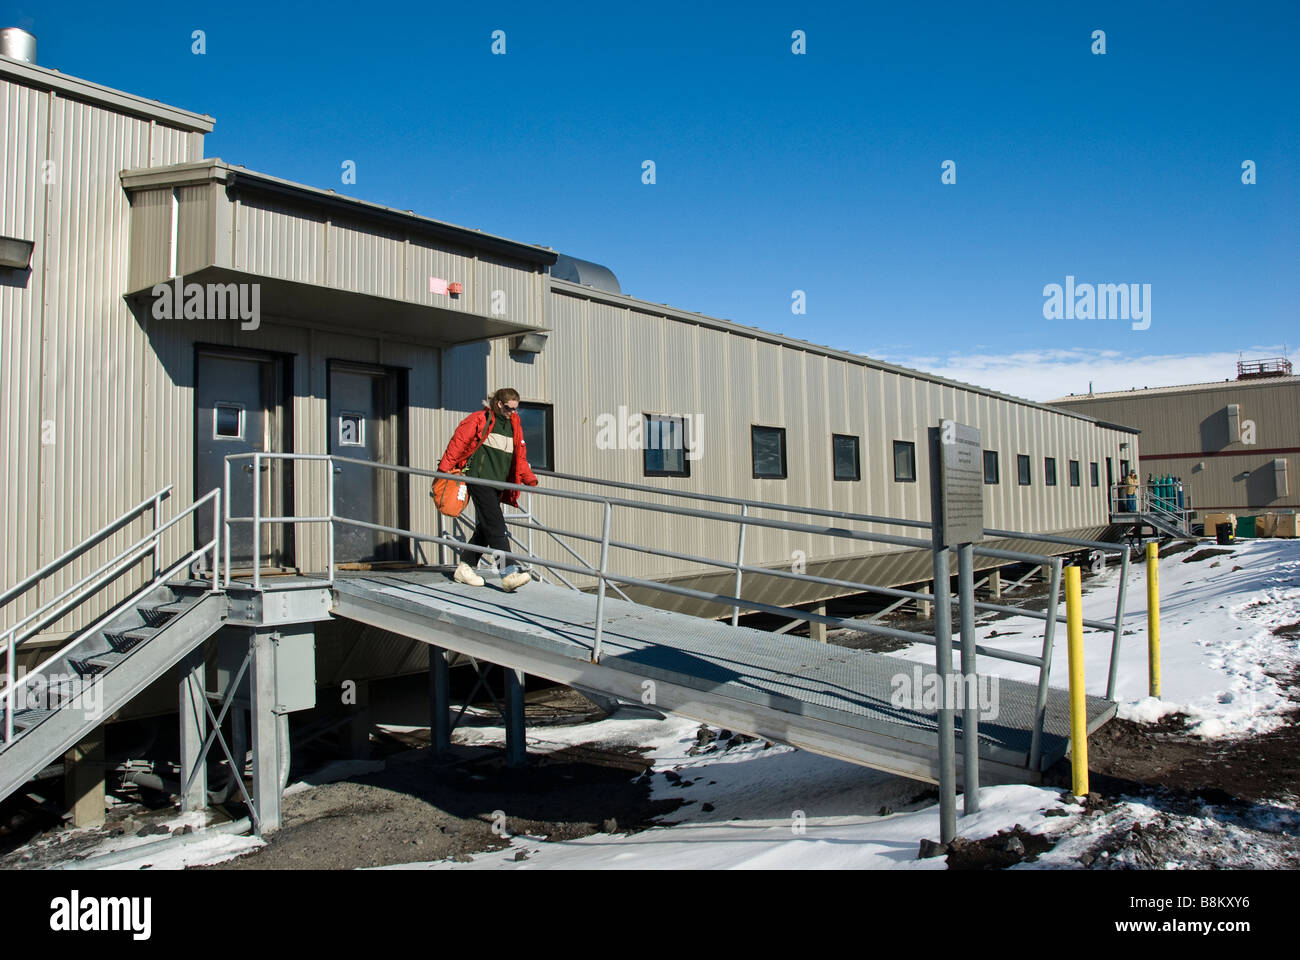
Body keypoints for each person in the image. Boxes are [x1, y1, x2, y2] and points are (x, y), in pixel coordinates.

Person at [438, 388, 539, 591]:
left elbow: (519, 454)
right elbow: (458, 443)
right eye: (509, 408)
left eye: (516, 409)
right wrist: (444, 470)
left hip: (498, 483)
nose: (513, 412)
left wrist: (529, 478)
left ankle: (466, 566)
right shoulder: (480, 419)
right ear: (499, 404)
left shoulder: (513, 425)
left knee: (486, 526)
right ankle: (507, 571)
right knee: (496, 525)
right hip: (479, 478)